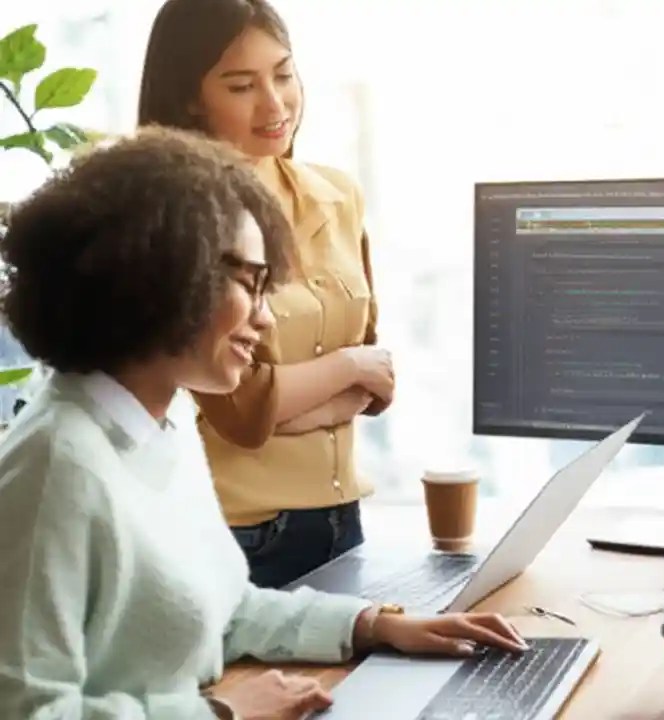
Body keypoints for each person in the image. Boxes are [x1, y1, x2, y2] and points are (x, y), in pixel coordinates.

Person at [0, 128, 524, 720]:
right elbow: (29, 713)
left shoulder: (163, 415)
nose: (268, 318)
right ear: (159, 276)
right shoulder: (55, 468)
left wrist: (376, 626)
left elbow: (222, 610)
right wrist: (222, 715)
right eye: (250, 285)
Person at [138, 0, 395, 588]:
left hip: (344, 521)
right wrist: (346, 367)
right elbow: (242, 409)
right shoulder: (180, 216)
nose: (275, 104)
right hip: (243, 535)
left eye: (283, 74)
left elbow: (379, 381)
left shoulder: (337, 193)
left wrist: (301, 402)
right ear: (188, 97)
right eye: (241, 85)